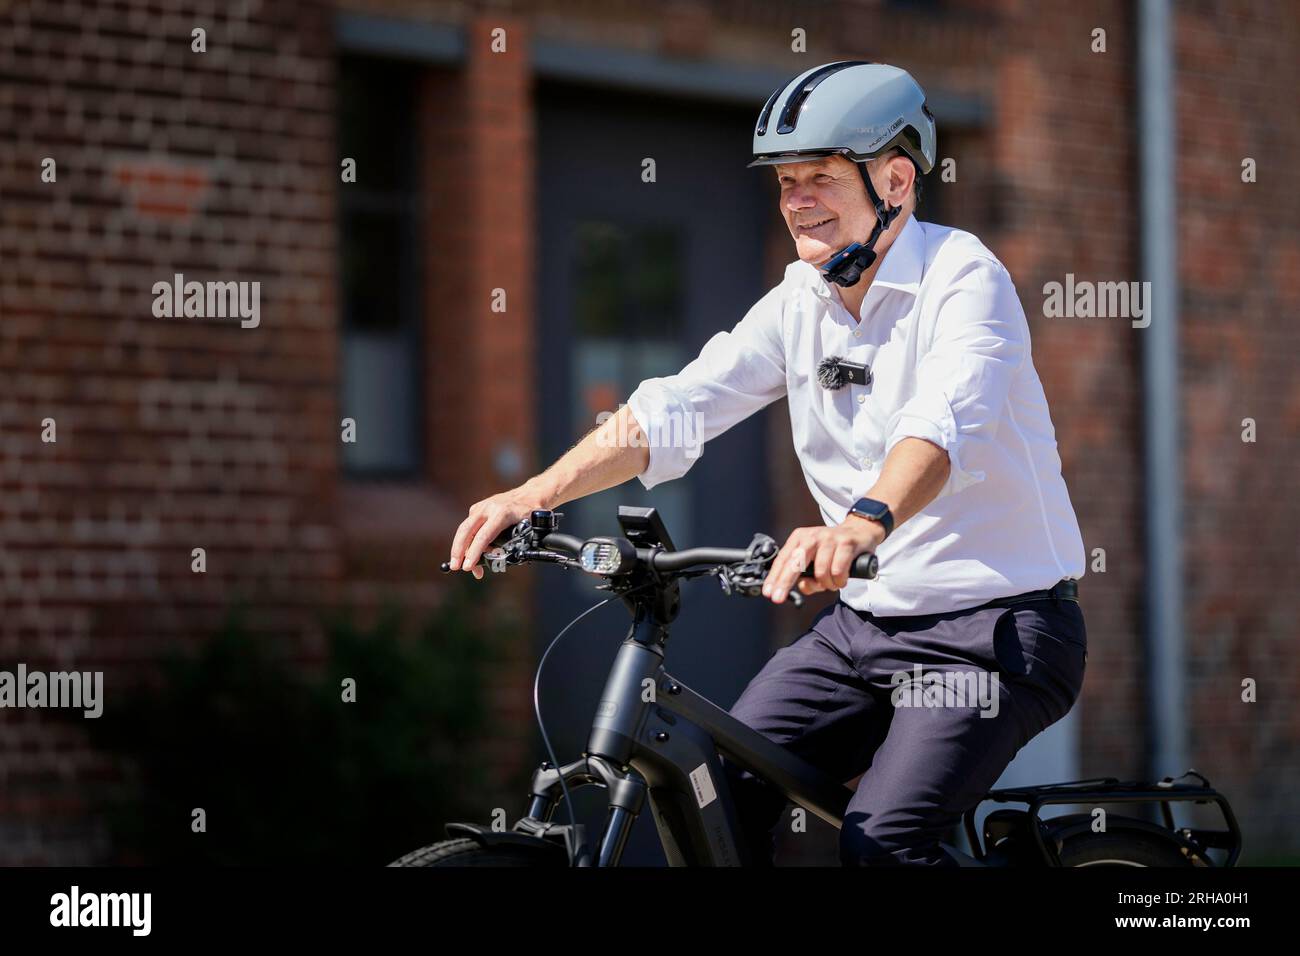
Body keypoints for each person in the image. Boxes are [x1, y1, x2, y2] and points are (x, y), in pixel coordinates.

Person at [449, 61, 1088, 866]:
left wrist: (859, 526)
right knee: (710, 789)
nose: (797, 201)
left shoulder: (964, 279)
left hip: (994, 633)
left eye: (820, 176)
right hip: (863, 629)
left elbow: (943, 426)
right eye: (786, 181)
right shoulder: (801, 300)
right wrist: (532, 494)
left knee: (882, 843)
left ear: (895, 179)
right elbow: (678, 405)